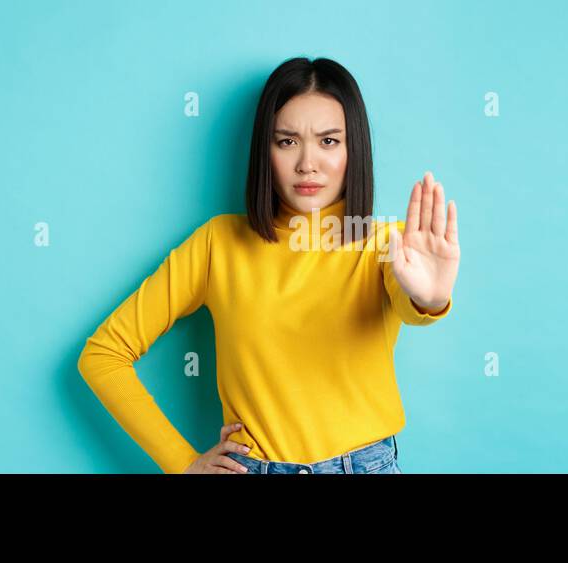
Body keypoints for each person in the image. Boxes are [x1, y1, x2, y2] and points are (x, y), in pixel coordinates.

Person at [77, 56, 460, 474]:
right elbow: (103, 354)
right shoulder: (217, 244)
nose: (307, 163)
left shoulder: (387, 243)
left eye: (329, 141)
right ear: (266, 150)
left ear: (355, 150)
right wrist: (181, 462)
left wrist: (431, 298)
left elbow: (412, 304)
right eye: (287, 141)